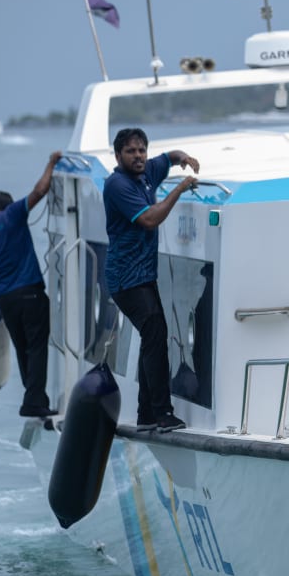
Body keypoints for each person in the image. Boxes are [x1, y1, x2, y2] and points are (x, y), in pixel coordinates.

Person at [103, 128, 199, 432]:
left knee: (153, 336)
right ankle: (161, 413)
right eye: (131, 152)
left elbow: (167, 158)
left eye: (141, 150)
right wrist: (179, 189)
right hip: (125, 278)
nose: (138, 156)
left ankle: (147, 413)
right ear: (118, 156)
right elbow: (149, 220)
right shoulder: (117, 184)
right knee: (155, 334)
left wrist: (182, 157)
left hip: (143, 276)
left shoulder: (147, 172)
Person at [0, 150, 62, 417]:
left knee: (23, 347)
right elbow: (39, 191)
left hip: (6, 300)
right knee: (38, 345)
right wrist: (51, 162)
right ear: (7, 206)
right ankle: (35, 401)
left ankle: (32, 397)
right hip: (29, 292)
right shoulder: (13, 214)